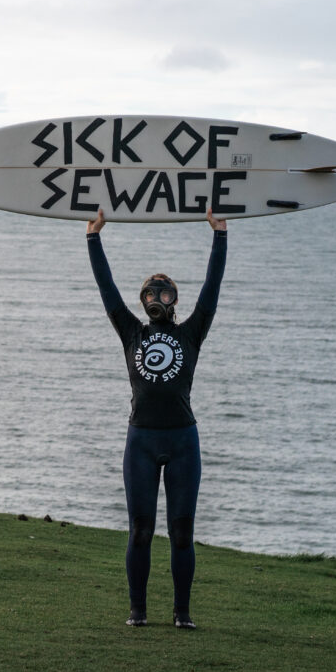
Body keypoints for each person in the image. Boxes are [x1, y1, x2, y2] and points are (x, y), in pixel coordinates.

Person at [86, 208, 227, 629]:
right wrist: (93, 238)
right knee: (141, 531)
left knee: (182, 533)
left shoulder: (192, 331)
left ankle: (182, 614)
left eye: (164, 294)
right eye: (150, 294)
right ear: (142, 301)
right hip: (141, 442)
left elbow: (212, 289)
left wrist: (219, 235)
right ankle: (137, 613)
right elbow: (106, 289)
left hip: (183, 441)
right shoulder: (131, 332)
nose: (156, 300)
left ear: (175, 301)